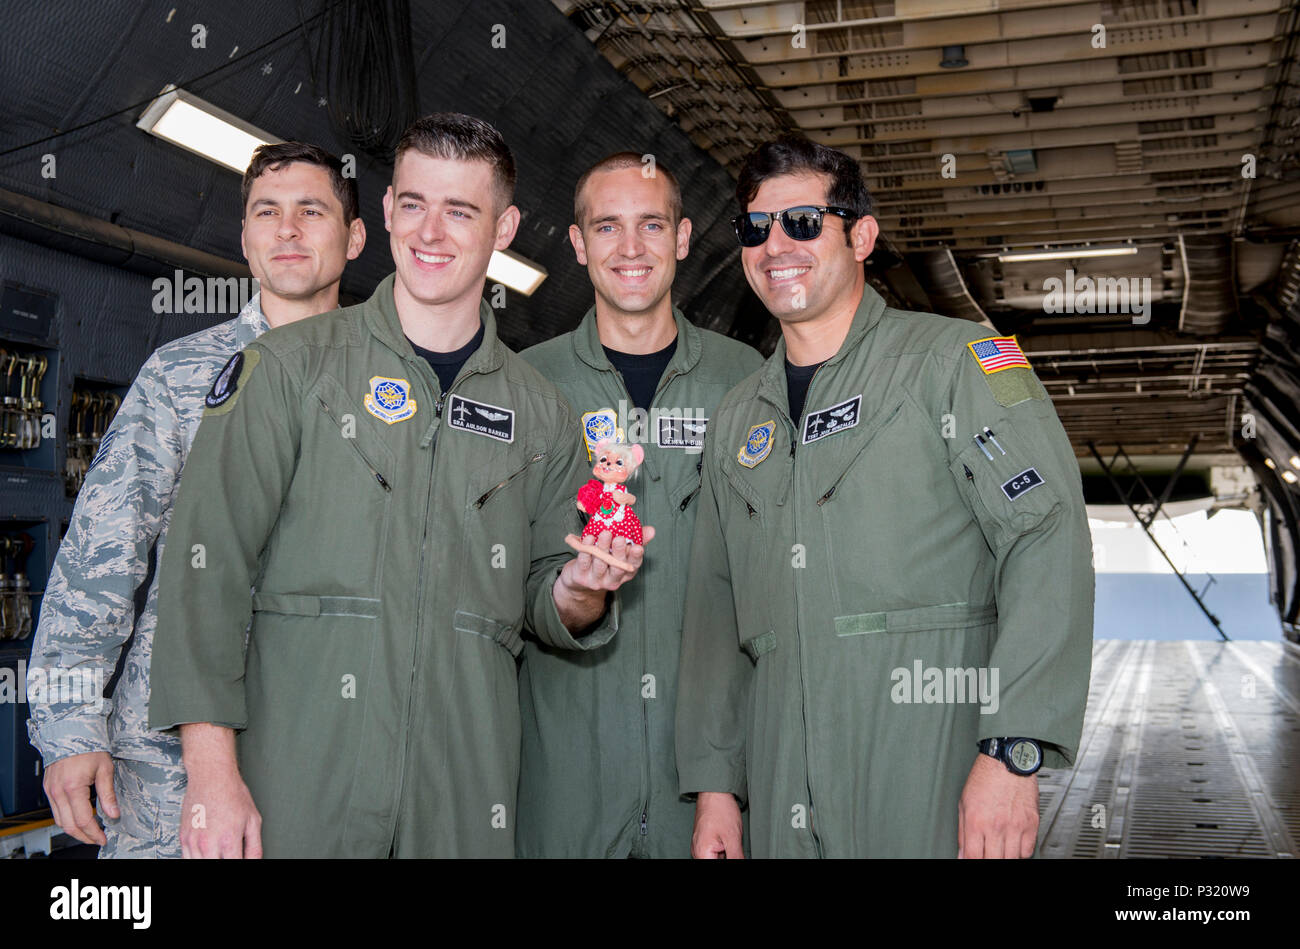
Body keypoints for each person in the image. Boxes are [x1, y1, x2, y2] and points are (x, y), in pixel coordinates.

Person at [148, 113, 640, 859]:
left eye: (460, 210)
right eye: (413, 204)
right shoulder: (288, 370)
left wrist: (583, 585)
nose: (430, 232)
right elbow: (205, 572)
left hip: (462, 800)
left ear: (504, 227)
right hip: (300, 789)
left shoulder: (540, 412)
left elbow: (546, 595)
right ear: (384, 212)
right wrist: (211, 776)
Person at [674, 134, 1094, 859]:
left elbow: (1045, 538)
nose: (776, 244)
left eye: (803, 222)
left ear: (861, 236)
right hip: (782, 784)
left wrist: (1012, 750)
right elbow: (716, 607)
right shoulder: (738, 417)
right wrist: (717, 785)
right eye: (755, 228)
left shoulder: (955, 365)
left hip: (930, 763)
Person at [26, 141, 366, 857]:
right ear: (244, 237)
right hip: (167, 761)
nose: (288, 229)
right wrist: (69, 726)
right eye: (266, 212)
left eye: (313, 210)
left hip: (339, 738)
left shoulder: (389, 391)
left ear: (355, 236)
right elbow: (101, 553)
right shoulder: (180, 376)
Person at [516, 153, 762, 858]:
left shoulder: (746, 384)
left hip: (709, 789)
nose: (630, 248)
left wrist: (727, 781)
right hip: (564, 786)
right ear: (577, 243)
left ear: (683, 238)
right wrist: (571, 600)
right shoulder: (527, 387)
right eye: (608, 226)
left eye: (651, 225)